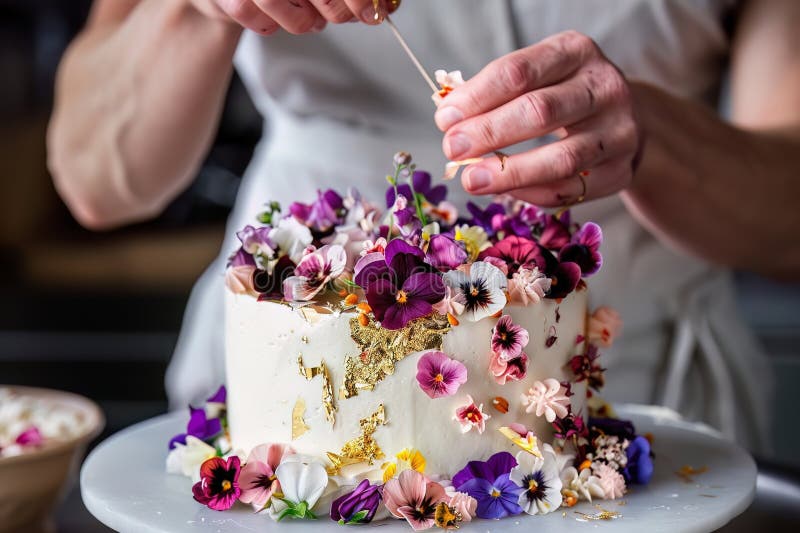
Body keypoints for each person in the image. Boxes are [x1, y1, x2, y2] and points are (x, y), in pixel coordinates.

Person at [47, 0, 800, 452]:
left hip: (633, 395)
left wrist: (653, 139)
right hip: (294, 409)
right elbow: (94, 177)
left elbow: (788, 227)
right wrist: (193, 8)